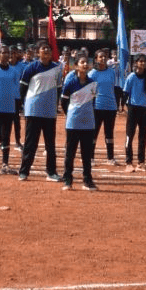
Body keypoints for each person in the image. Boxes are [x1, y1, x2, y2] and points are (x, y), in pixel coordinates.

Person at [17, 45, 62, 182]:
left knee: (50, 144)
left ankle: (51, 172)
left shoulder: (57, 68)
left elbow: (59, 89)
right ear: (38, 52)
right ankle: (24, 171)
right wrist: (25, 104)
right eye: (43, 49)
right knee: (30, 143)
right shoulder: (31, 68)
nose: (47, 52)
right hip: (33, 110)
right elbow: (22, 87)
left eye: (49, 49)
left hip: (49, 111)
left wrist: (54, 103)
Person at [60, 52, 100, 191]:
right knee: (70, 152)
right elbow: (64, 102)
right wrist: (71, 114)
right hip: (73, 123)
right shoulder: (70, 83)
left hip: (88, 123)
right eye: (81, 62)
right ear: (76, 66)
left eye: (86, 62)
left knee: (86, 153)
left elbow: (93, 101)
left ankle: (87, 180)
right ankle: (67, 180)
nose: (85, 64)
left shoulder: (93, 83)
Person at [121, 56, 146, 171]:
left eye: (144, 61)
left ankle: (141, 162)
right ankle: (128, 162)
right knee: (130, 135)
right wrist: (122, 106)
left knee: (142, 137)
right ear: (136, 63)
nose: (142, 63)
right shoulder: (132, 77)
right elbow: (125, 92)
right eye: (140, 61)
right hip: (133, 109)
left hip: (144, 109)